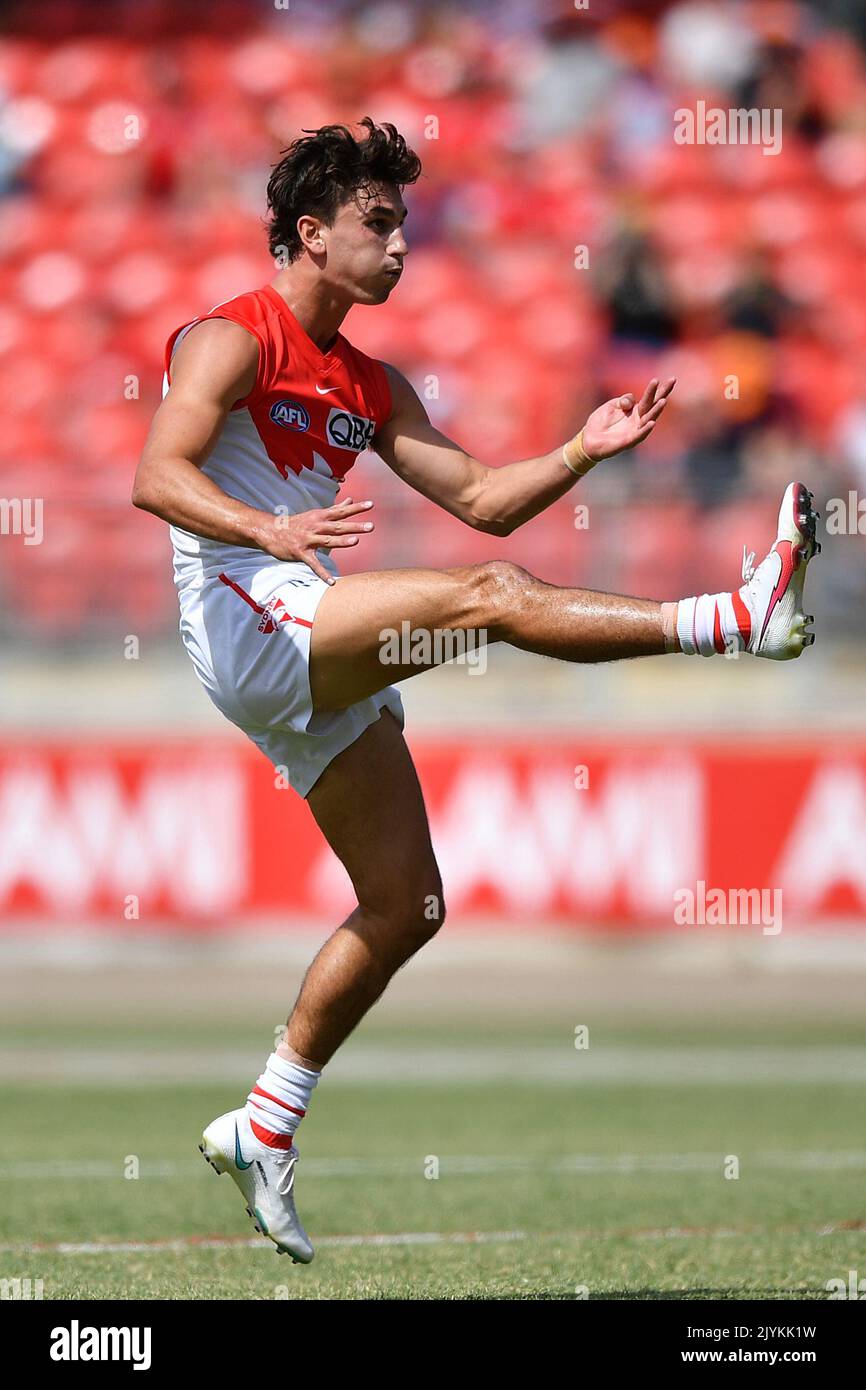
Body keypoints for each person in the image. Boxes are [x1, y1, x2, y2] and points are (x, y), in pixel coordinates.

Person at [132, 119, 818, 1263]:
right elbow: (154, 473)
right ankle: (735, 620)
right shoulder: (227, 338)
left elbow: (486, 498)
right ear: (311, 233)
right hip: (249, 607)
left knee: (409, 906)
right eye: (378, 224)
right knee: (486, 597)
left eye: (401, 225)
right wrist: (271, 526)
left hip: (302, 616)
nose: (400, 246)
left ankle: (263, 1121)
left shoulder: (368, 379)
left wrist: (581, 451)